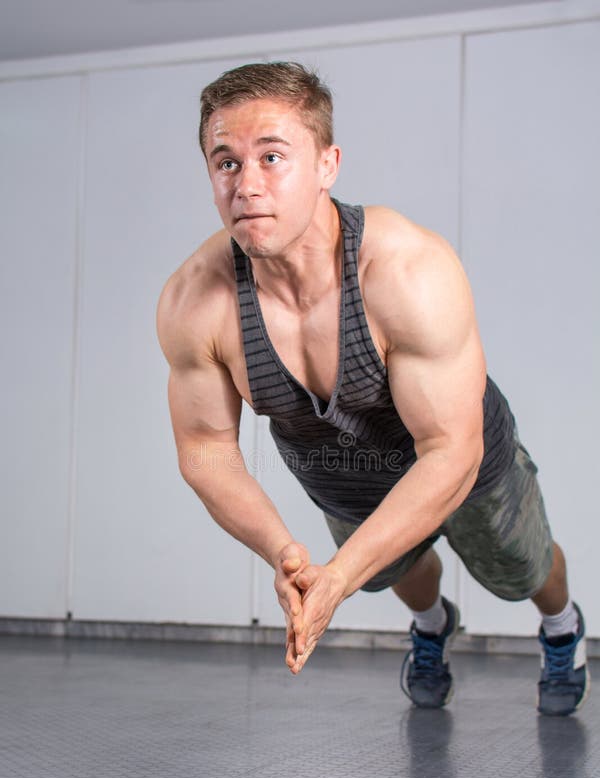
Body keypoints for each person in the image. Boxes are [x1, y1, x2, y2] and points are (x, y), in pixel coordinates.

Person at [156, 61, 588, 716]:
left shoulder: (407, 271)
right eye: (226, 163)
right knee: (396, 576)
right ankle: (433, 623)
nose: (247, 185)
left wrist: (336, 583)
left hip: (465, 462)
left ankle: (562, 626)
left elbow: (450, 450)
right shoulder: (195, 301)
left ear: (327, 164)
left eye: (272, 157)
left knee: (522, 573)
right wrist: (287, 555)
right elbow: (207, 448)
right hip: (343, 475)